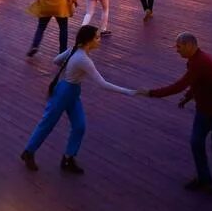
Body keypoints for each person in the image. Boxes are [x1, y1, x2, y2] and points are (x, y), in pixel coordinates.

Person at [20, 25, 136, 173]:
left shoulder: (74, 50)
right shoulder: (83, 60)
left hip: (71, 91)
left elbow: (56, 60)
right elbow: (102, 84)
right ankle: (29, 152)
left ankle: (68, 158)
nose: (99, 40)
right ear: (89, 40)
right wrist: (127, 91)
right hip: (65, 93)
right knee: (48, 123)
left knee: (79, 125)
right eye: (97, 37)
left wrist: (68, 70)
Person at [138, 33, 212, 196]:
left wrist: (151, 93)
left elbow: (179, 86)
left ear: (189, 45)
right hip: (204, 109)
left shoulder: (200, 62)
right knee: (196, 142)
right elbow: (199, 81)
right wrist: (189, 96)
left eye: (179, 47)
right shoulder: (195, 60)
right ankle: (204, 178)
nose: (177, 50)